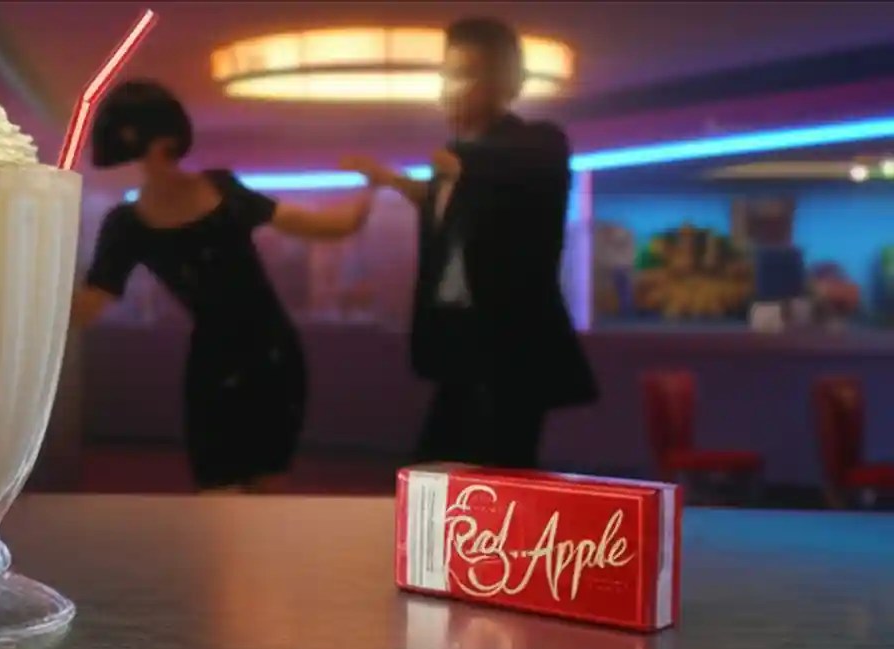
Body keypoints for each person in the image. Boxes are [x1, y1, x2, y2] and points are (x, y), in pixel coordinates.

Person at [74, 80, 373, 493]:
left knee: (267, 489)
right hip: (219, 360)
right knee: (219, 490)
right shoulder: (125, 225)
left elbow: (333, 226)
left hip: (271, 354)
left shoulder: (222, 189)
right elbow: (90, 304)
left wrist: (375, 185)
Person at [341, 17, 597, 469]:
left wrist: (454, 164)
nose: (451, 89)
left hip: (513, 347)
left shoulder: (538, 144)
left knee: (499, 477)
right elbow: (447, 200)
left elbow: (496, 168)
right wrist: (393, 181)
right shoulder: (454, 161)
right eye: (447, 74)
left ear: (505, 82)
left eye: (466, 75)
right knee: (437, 474)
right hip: (459, 342)